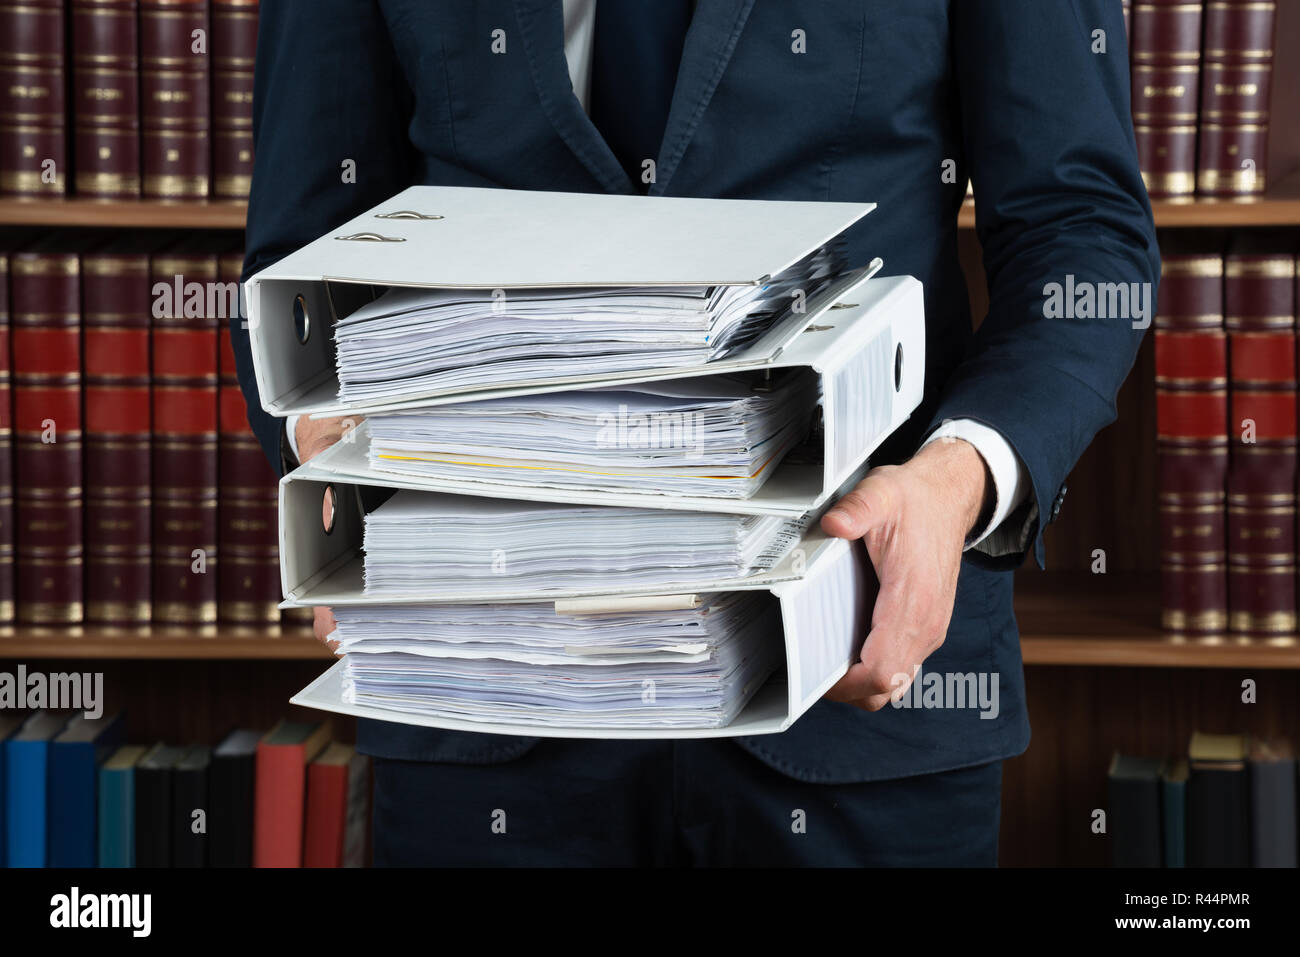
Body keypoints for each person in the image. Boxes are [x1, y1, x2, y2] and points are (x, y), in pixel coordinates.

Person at [232, 0, 1158, 866]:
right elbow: (304, 237)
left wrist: (959, 481)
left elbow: (1080, 230)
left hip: (859, 686)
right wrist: (330, 461)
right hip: (481, 691)